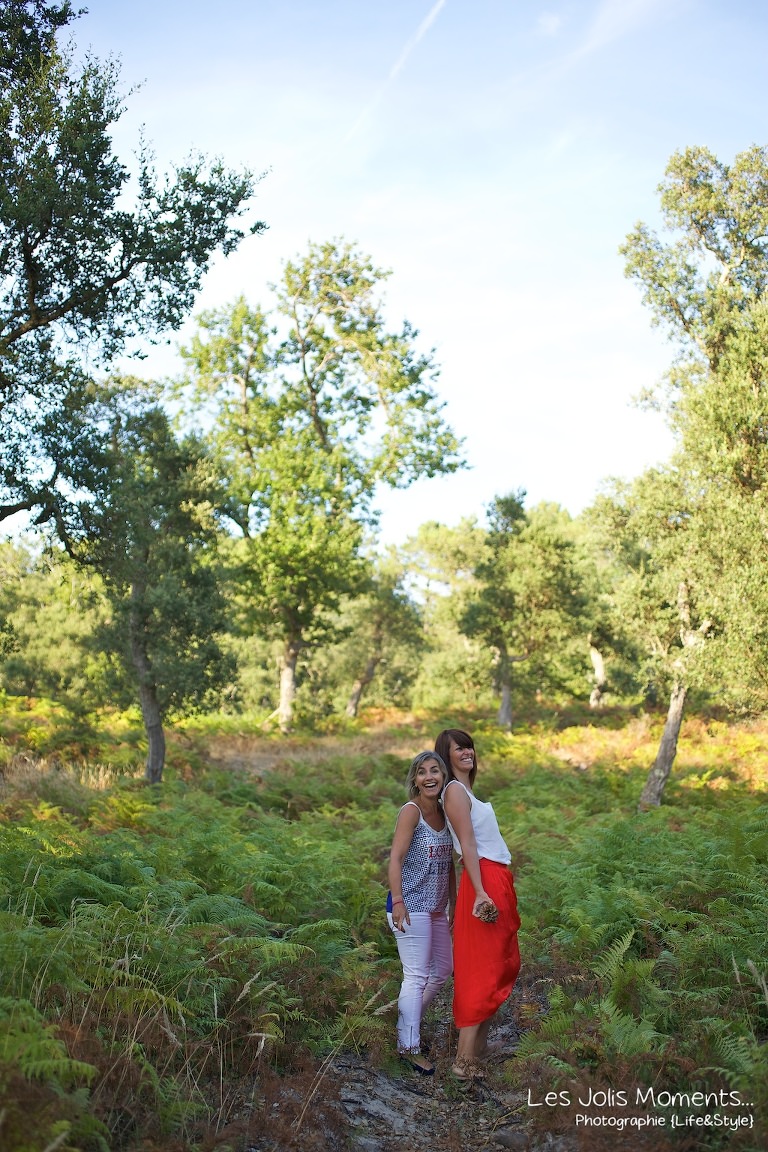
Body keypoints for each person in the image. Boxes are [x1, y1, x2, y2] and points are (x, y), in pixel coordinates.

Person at [435, 728, 521, 1082]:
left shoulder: (467, 790)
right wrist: (481, 892)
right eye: (459, 748)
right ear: (447, 755)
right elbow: (467, 846)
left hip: (493, 876)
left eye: (469, 746)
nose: (467, 752)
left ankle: (478, 1050)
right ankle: (463, 1060)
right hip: (482, 879)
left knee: (499, 963)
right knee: (481, 966)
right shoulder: (454, 791)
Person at [387, 750, 456, 1075]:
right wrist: (398, 900)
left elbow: (452, 866)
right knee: (415, 976)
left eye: (436, 771)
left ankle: (405, 1025)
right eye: (422, 772)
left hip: (437, 908)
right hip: (410, 906)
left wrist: (453, 903)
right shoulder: (410, 812)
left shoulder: (445, 811)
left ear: (443, 777)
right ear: (414, 779)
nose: (430, 777)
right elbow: (395, 860)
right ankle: (408, 1046)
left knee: (443, 969)